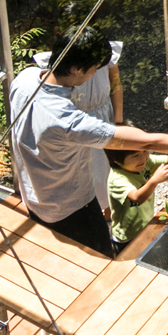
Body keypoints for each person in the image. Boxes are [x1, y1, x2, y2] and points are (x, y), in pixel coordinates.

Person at [9, 27, 168, 258]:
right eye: (95, 69)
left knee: (57, 252)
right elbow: (147, 142)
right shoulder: (69, 121)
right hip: (71, 207)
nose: (96, 74)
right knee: (100, 259)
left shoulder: (24, 79)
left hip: (34, 196)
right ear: (76, 69)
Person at [32, 33, 122, 216]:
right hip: (74, 121)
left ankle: (108, 214)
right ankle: (89, 213)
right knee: (82, 171)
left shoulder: (103, 54)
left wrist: (119, 121)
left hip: (103, 114)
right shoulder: (58, 65)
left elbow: (116, 84)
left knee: (105, 170)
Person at [107, 148, 168, 251]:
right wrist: (154, 180)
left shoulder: (144, 162)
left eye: (145, 151)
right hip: (127, 237)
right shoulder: (117, 179)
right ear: (116, 160)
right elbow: (137, 198)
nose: (143, 158)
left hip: (145, 226)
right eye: (135, 156)